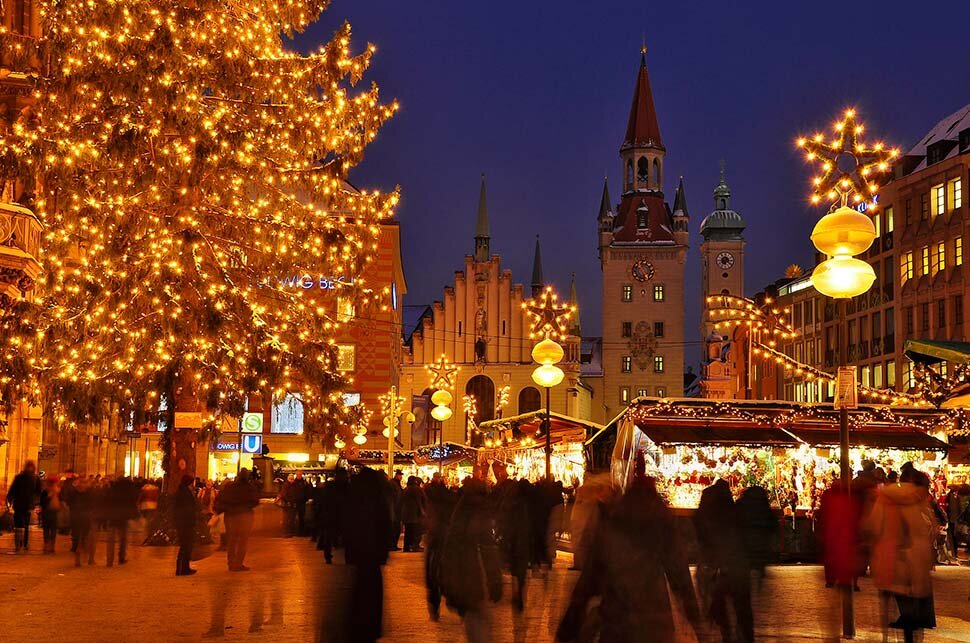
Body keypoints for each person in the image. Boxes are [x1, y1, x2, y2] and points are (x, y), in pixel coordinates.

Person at [556, 475, 702, 643]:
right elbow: (679, 572)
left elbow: (589, 577)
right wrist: (694, 615)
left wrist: (570, 623)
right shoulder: (662, 524)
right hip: (654, 619)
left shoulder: (613, 524)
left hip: (617, 618)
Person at [866, 468, 937, 643]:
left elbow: (874, 526)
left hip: (890, 559)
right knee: (914, 615)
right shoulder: (920, 499)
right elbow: (931, 529)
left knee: (893, 610)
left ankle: (891, 638)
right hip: (917, 561)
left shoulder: (885, 497)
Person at [439, 477, 503, 643]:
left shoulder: (460, 509)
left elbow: (450, 546)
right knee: (479, 618)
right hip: (474, 573)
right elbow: (487, 547)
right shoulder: (480, 510)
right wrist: (495, 579)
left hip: (461, 573)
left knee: (472, 616)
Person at [694, 479, 754, 643]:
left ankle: (726, 631)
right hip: (736, 565)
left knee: (718, 600)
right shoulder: (734, 512)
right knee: (741, 604)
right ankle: (745, 635)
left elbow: (701, 536)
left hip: (717, 566)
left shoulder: (706, 512)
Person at [342, 467, 392, 643]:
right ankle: (370, 627)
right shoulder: (378, 500)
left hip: (359, 555)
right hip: (372, 556)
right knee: (371, 592)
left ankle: (358, 626)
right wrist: (383, 553)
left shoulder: (354, 500)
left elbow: (347, 527)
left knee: (359, 591)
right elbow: (386, 527)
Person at [215, 468, 259, 571]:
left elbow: (222, 499)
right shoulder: (249, 488)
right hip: (245, 516)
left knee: (232, 540)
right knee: (243, 541)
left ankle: (231, 563)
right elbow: (255, 501)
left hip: (231, 516)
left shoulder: (230, 487)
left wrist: (220, 510)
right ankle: (238, 563)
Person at [736, 484, 777, 584]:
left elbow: (735, 520)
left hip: (746, 543)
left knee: (746, 566)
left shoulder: (741, 504)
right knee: (757, 565)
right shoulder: (763, 505)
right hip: (760, 543)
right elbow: (772, 522)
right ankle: (757, 582)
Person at [6, 460, 40, 553]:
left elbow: (37, 493)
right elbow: (13, 490)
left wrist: (36, 504)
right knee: (19, 524)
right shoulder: (20, 477)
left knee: (25, 525)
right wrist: (9, 500)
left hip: (27, 505)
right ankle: (19, 544)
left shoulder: (35, 479)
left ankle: (23, 544)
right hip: (20, 504)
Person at [316, 468, 349, 564]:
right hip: (341, 516)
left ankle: (328, 556)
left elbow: (323, 501)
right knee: (344, 537)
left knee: (329, 537)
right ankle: (346, 557)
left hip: (331, 515)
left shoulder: (329, 487)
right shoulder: (347, 487)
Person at [104, 476, 139, 566]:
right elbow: (132, 504)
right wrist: (134, 514)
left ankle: (109, 561)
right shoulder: (127, 492)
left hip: (112, 517)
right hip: (123, 518)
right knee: (123, 539)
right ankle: (121, 558)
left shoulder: (112, 490)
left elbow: (106, 502)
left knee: (111, 540)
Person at [69, 476, 97, 567]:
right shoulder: (88, 493)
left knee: (77, 537)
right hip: (84, 517)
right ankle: (81, 553)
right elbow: (92, 505)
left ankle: (78, 554)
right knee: (83, 537)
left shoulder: (74, 493)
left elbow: (70, 504)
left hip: (76, 517)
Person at [174, 474, 198, 576]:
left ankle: (185, 567)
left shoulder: (185, 491)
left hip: (187, 522)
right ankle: (181, 569)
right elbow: (185, 509)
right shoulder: (184, 493)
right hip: (185, 523)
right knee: (185, 546)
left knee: (187, 546)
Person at [400, 475, 427, 552]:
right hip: (415, 514)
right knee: (416, 531)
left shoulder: (406, 489)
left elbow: (401, 500)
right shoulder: (417, 489)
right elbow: (420, 501)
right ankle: (415, 546)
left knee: (408, 531)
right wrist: (422, 511)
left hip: (406, 513)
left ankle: (406, 547)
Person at [39, 477, 62, 554]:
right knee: (46, 529)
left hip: (54, 513)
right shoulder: (45, 492)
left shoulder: (57, 491)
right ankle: (46, 544)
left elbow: (61, 501)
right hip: (46, 512)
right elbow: (42, 502)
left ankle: (52, 545)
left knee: (53, 530)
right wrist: (49, 496)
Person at [388, 470, 404, 550]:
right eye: (400, 475)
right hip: (395, 509)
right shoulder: (394, 484)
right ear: (397, 475)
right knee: (395, 528)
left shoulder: (395, 483)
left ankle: (393, 544)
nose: (401, 477)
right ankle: (392, 545)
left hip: (397, 509)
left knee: (396, 528)